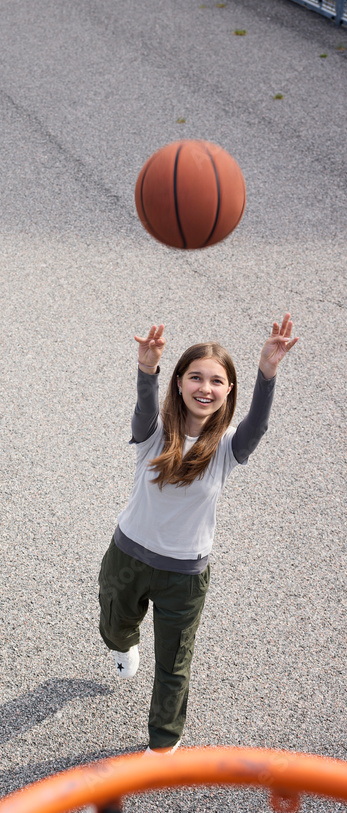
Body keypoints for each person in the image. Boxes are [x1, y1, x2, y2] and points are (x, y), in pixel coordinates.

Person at [98, 314, 298, 754]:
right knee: (114, 629)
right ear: (179, 383)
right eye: (195, 377)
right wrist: (146, 368)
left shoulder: (228, 446)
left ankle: (163, 745)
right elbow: (145, 406)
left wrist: (267, 373)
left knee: (173, 664)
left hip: (184, 576)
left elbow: (258, 426)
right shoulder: (152, 434)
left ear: (228, 391)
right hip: (127, 557)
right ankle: (122, 645)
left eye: (216, 380)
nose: (205, 387)